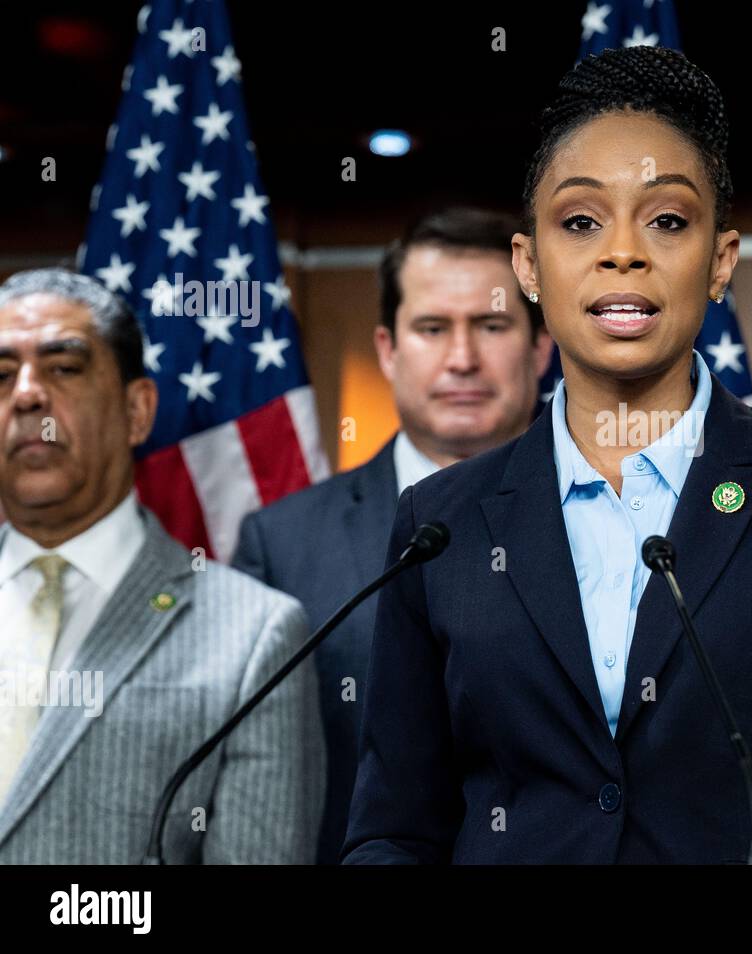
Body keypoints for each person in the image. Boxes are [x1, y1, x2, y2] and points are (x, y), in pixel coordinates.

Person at [343, 46, 752, 864]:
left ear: (721, 261)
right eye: (580, 221)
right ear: (527, 265)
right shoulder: (440, 524)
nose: (623, 252)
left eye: (668, 220)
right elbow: (393, 832)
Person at [232, 207, 553, 863]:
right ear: (387, 348)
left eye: (491, 325)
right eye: (432, 328)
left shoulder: (617, 516)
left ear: (540, 348)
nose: (462, 359)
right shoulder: (281, 543)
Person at [0, 268, 323, 863]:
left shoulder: (253, 635)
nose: (25, 394)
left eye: (63, 367)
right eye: (1, 375)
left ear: (137, 410)